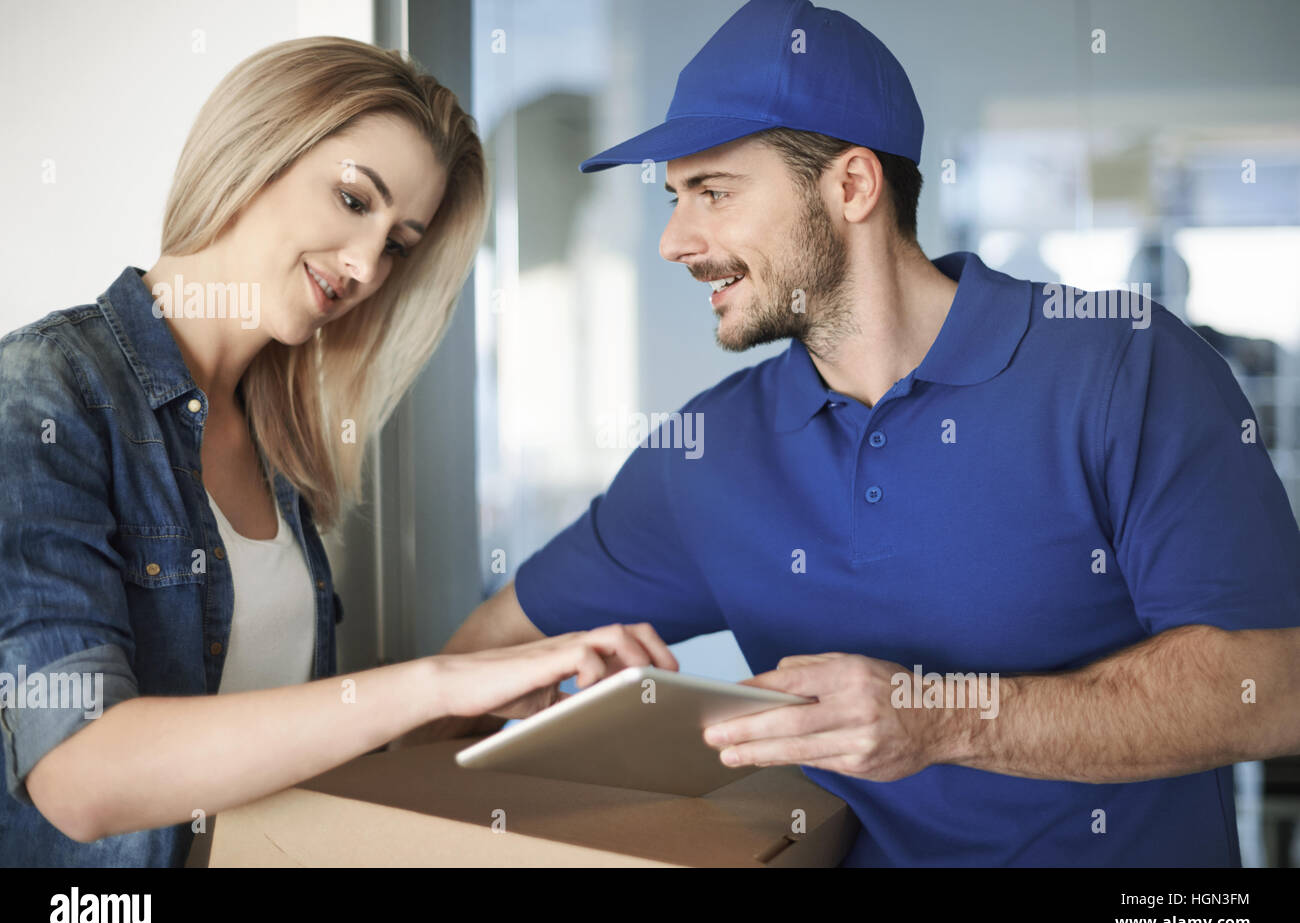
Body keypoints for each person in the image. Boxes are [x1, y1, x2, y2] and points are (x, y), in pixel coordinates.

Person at [437, 0, 1300, 866]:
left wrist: (939, 717)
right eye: (673, 196)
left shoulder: (1124, 367)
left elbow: (1272, 688)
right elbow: (480, 657)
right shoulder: (705, 454)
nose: (672, 239)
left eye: (712, 193)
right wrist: (561, 706)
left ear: (851, 186)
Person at [0, 36, 675, 867]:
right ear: (258, 147)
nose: (364, 266)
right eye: (356, 200)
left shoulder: (281, 448)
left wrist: (501, 694)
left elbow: (280, 744)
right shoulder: (45, 393)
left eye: (398, 242)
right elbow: (79, 772)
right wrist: (435, 682)